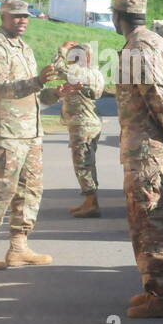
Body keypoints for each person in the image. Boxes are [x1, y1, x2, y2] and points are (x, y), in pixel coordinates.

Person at [0, 0, 63, 271]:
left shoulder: (24, 48)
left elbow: (32, 95)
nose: (22, 21)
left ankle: (19, 247)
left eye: (26, 17)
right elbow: (2, 89)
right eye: (16, 16)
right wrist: (39, 80)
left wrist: (53, 93)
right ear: (3, 16)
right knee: (2, 188)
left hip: (31, 132)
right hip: (6, 131)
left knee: (30, 190)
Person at [111, 0, 163, 318]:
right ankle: (156, 287)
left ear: (118, 17)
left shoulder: (137, 49)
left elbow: (158, 97)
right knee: (156, 220)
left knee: (149, 222)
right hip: (157, 147)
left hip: (147, 148)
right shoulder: (162, 45)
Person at [55, 42, 106, 219]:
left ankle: (92, 203)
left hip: (82, 125)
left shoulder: (78, 72)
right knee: (88, 163)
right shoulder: (95, 73)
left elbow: (57, 69)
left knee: (82, 164)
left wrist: (61, 51)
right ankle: (90, 201)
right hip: (91, 123)